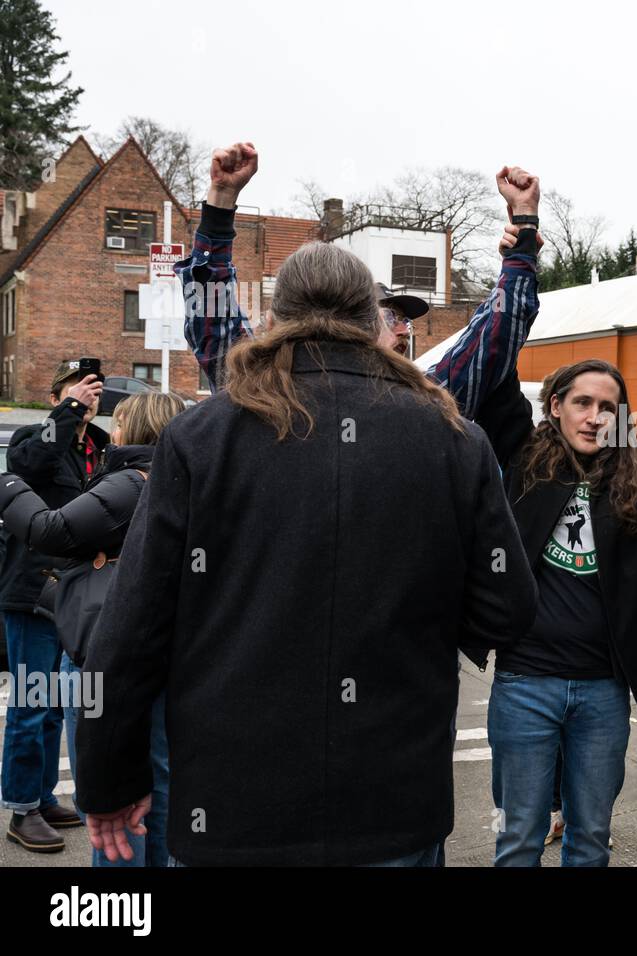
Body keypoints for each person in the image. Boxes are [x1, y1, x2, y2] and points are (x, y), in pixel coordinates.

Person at [74, 234, 537, 866]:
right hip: (390, 802)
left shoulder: (203, 436)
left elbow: (131, 629)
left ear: (273, 321)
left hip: (235, 807)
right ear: (374, 321)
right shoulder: (452, 437)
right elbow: (507, 608)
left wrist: (107, 781)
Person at [439, 290, 637, 865]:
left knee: (590, 840)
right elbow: (495, 370)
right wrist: (520, 247)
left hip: (604, 690)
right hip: (526, 683)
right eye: (582, 402)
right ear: (555, 406)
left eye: (607, 407)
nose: (595, 417)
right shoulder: (523, 458)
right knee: (519, 838)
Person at [178, 142, 543, 423]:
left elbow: (213, 318)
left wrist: (220, 205)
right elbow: (490, 344)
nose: (403, 331)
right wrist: (522, 244)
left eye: (405, 321)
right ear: (367, 325)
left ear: (272, 325)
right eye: (391, 318)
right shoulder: (419, 407)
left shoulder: (249, 393)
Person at [0, 391, 185, 865]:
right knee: (152, 779)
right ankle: (34, 803)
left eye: (116, 419)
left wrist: (6, 487)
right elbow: (32, 458)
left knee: (109, 795)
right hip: (127, 640)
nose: (109, 426)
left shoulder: (128, 478)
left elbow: (52, 529)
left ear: (135, 427)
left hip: (103, 651)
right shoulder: (180, 476)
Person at [1, 363, 104, 853]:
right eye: (76, 388)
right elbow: (27, 464)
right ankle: (21, 809)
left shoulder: (96, 447)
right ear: (55, 397)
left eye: (93, 390)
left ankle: (41, 796)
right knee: (28, 702)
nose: (88, 396)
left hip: (70, 594)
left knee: (53, 707)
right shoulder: (36, 436)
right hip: (29, 592)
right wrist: (70, 411)